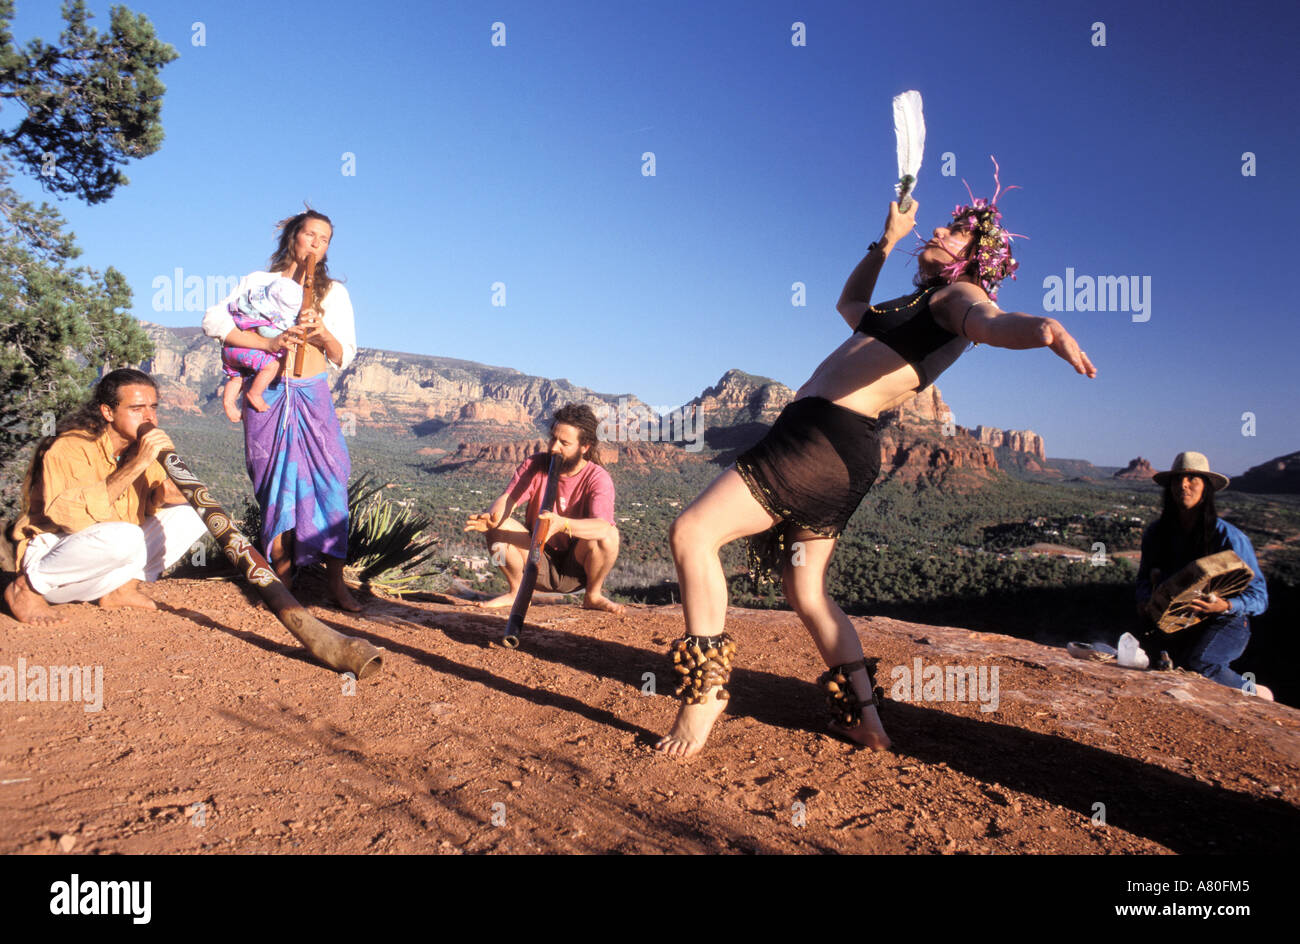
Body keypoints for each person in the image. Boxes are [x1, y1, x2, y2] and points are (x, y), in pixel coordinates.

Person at [656, 161, 1098, 758]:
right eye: (940, 228)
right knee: (806, 590)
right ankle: (866, 721)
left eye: (956, 234)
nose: (938, 234)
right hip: (844, 452)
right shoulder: (916, 303)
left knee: (693, 532)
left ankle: (705, 694)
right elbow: (849, 302)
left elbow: (992, 322)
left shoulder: (958, 297)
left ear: (978, 259)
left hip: (816, 443)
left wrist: (1044, 328)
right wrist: (885, 241)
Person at [201, 210, 360, 611]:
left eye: (324, 239)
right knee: (273, 484)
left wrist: (320, 330)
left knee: (332, 478)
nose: (316, 244)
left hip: (312, 393)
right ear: (294, 236)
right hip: (267, 396)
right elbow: (215, 322)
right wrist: (267, 345)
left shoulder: (333, 293)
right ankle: (280, 582)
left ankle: (335, 585)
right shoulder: (258, 283)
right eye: (310, 235)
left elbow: (344, 355)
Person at [4, 369, 208, 624]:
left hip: (106, 568)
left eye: (153, 407)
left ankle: (122, 589)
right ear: (108, 412)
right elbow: (70, 520)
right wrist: (136, 464)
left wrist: (167, 488)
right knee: (125, 535)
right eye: (137, 408)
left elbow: (155, 501)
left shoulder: (140, 447)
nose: (150, 417)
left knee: (193, 514)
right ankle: (25, 589)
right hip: (55, 565)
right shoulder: (70, 447)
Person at [1134, 451, 1273, 699]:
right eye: (1178, 480)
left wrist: (1226, 605)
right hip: (1177, 619)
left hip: (1227, 621)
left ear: (1206, 488)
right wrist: (1145, 600)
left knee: (1202, 664)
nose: (1183, 486)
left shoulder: (1230, 538)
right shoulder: (1156, 533)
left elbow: (1259, 597)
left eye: (1192, 479)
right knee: (1141, 660)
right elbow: (1144, 578)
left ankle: (1254, 693)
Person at [465, 404, 625, 615]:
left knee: (609, 535)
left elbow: (603, 527)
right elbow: (508, 498)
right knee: (496, 530)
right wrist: (493, 516)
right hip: (535, 558)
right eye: (553, 439)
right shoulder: (535, 464)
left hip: (576, 568)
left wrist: (562, 524)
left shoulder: (598, 478)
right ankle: (516, 591)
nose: (553, 448)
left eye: (564, 443)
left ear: (584, 447)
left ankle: (593, 595)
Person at [219, 276, 304, 420]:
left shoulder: (248, 304)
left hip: (230, 348)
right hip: (245, 352)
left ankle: (229, 403)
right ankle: (255, 394)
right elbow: (266, 333)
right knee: (272, 366)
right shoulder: (265, 320)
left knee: (236, 378)